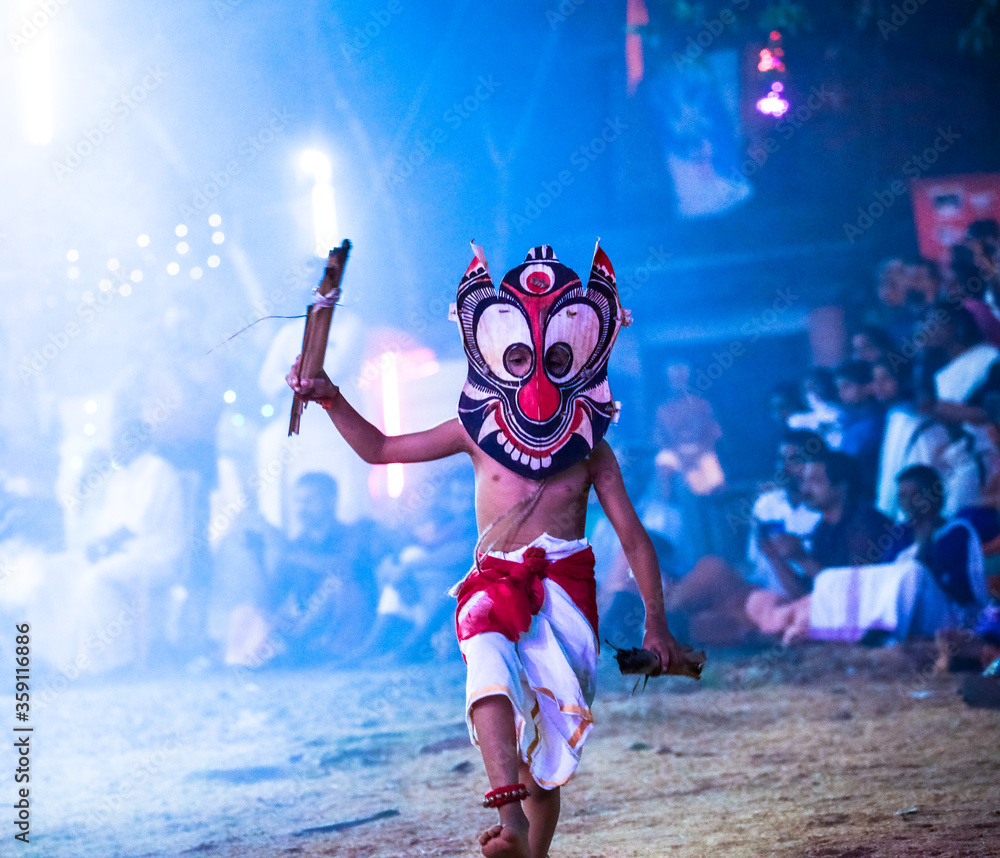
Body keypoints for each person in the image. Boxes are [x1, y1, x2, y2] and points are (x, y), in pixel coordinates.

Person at [288, 243, 687, 858]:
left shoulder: (592, 450)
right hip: (495, 582)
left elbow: (633, 536)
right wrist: (330, 397)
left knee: (546, 766)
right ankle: (509, 815)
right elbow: (381, 449)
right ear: (497, 352)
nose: (536, 369)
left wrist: (657, 624)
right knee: (485, 653)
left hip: (566, 594)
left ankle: (530, 844)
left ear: (580, 355)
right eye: (521, 355)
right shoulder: (474, 432)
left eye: (555, 356)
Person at [764, 465, 992, 645]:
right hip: (909, 616)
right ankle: (843, 635)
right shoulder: (900, 534)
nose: (908, 503)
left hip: (952, 616)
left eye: (915, 495)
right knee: (832, 578)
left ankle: (881, 636)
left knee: (912, 572)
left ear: (935, 496)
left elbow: (959, 590)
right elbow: (883, 578)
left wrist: (924, 544)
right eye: (902, 496)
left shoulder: (957, 532)